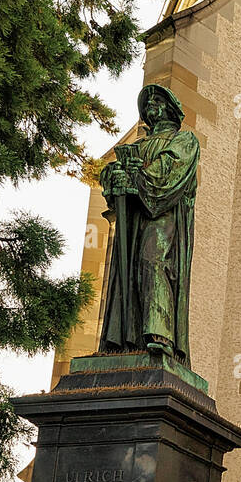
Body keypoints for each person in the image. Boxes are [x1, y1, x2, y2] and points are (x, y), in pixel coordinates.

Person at [98, 84, 199, 365]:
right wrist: (114, 176)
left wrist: (136, 175)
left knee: (153, 260)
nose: (151, 106)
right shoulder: (136, 146)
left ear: (169, 108)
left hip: (162, 213)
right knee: (126, 273)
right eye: (148, 102)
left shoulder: (184, 141)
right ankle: (123, 339)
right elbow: (109, 172)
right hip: (134, 217)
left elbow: (171, 170)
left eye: (157, 100)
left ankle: (160, 331)